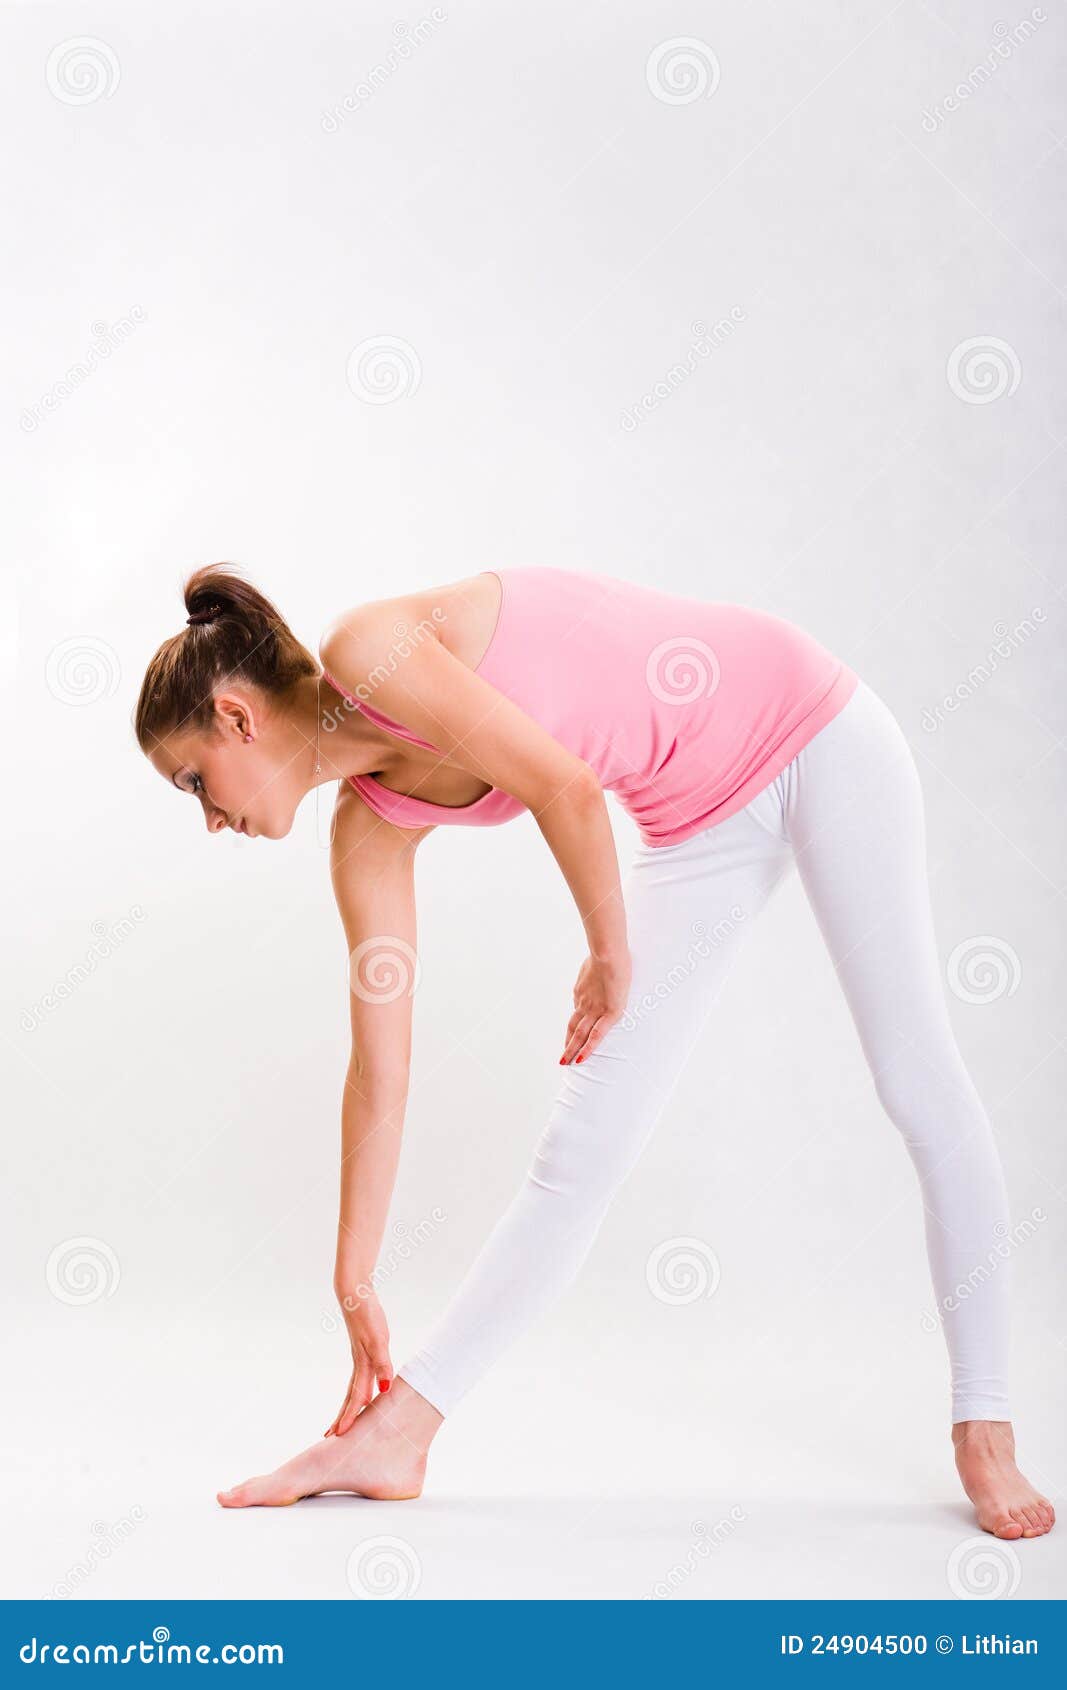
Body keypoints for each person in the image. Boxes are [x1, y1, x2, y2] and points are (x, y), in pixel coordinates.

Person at [135, 561, 1054, 1539]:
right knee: (576, 1157)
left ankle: (983, 1423)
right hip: (698, 825)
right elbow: (382, 1070)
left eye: (194, 780)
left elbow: (562, 786)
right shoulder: (366, 828)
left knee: (913, 1078)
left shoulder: (371, 650)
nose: (208, 816)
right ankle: (394, 1436)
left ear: (237, 718)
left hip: (813, 730)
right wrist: (354, 1273)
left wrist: (607, 951)